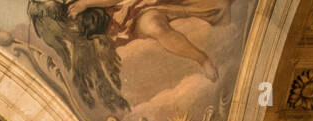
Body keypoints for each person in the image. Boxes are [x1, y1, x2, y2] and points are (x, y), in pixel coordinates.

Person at [66, 0, 233, 81]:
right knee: (154, 27)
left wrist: (86, 3)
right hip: (129, 14)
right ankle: (202, 59)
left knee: (219, 6)